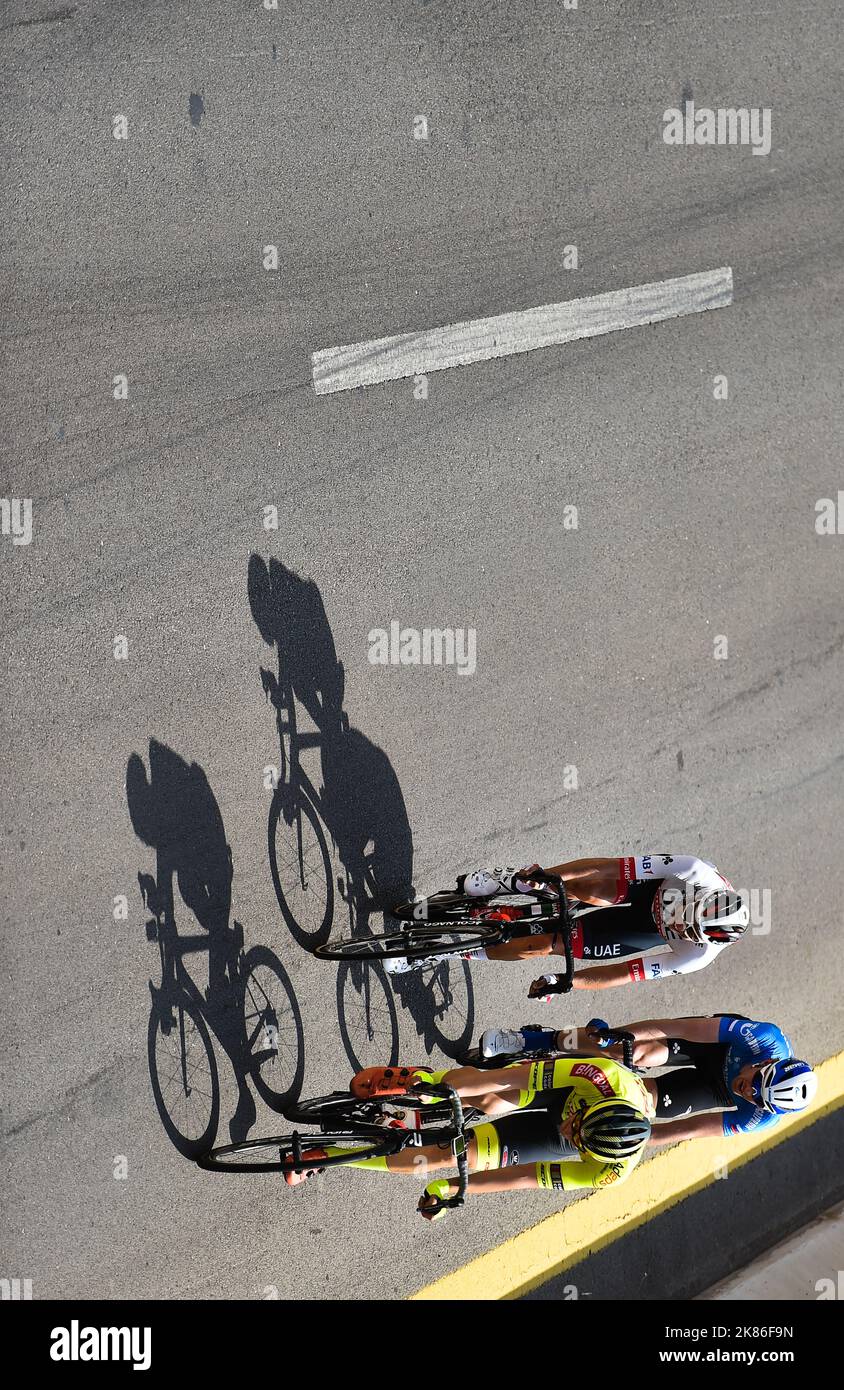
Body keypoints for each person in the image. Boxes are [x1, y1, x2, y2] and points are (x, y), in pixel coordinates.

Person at [282, 1055, 653, 1219]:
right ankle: (423, 1079)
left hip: (552, 1135)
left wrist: (452, 1188)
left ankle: (328, 1155)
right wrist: (437, 1089)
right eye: (578, 1123)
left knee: (443, 1158)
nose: (569, 1129)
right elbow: (512, 1080)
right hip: (561, 1087)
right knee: (490, 1099)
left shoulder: (611, 1173)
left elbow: (524, 1176)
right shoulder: (603, 1077)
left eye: (577, 1139)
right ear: (599, 1107)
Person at [385, 855, 749, 995]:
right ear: (699, 894)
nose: (678, 922)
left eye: (685, 929)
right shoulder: (693, 871)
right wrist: (545, 878)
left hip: (640, 929)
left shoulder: (695, 956)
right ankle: (511, 881)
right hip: (649, 889)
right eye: (686, 912)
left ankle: (446, 952)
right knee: (587, 889)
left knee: (545, 946)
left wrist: (567, 982)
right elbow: (607, 865)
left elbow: (623, 972)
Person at [478, 1013, 818, 1141]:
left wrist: (632, 1138)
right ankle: (536, 1040)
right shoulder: (761, 1038)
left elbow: (687, 1129)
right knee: (636, 1052)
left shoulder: (757, 1117)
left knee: (641, 1102)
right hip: (716, 1047)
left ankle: (554, 1084)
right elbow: (676, 1027)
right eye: (754, 1083)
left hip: (712, 1089)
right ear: (767, 1062)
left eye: (754, 1098)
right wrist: (617, 1036)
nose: (746, 1092)